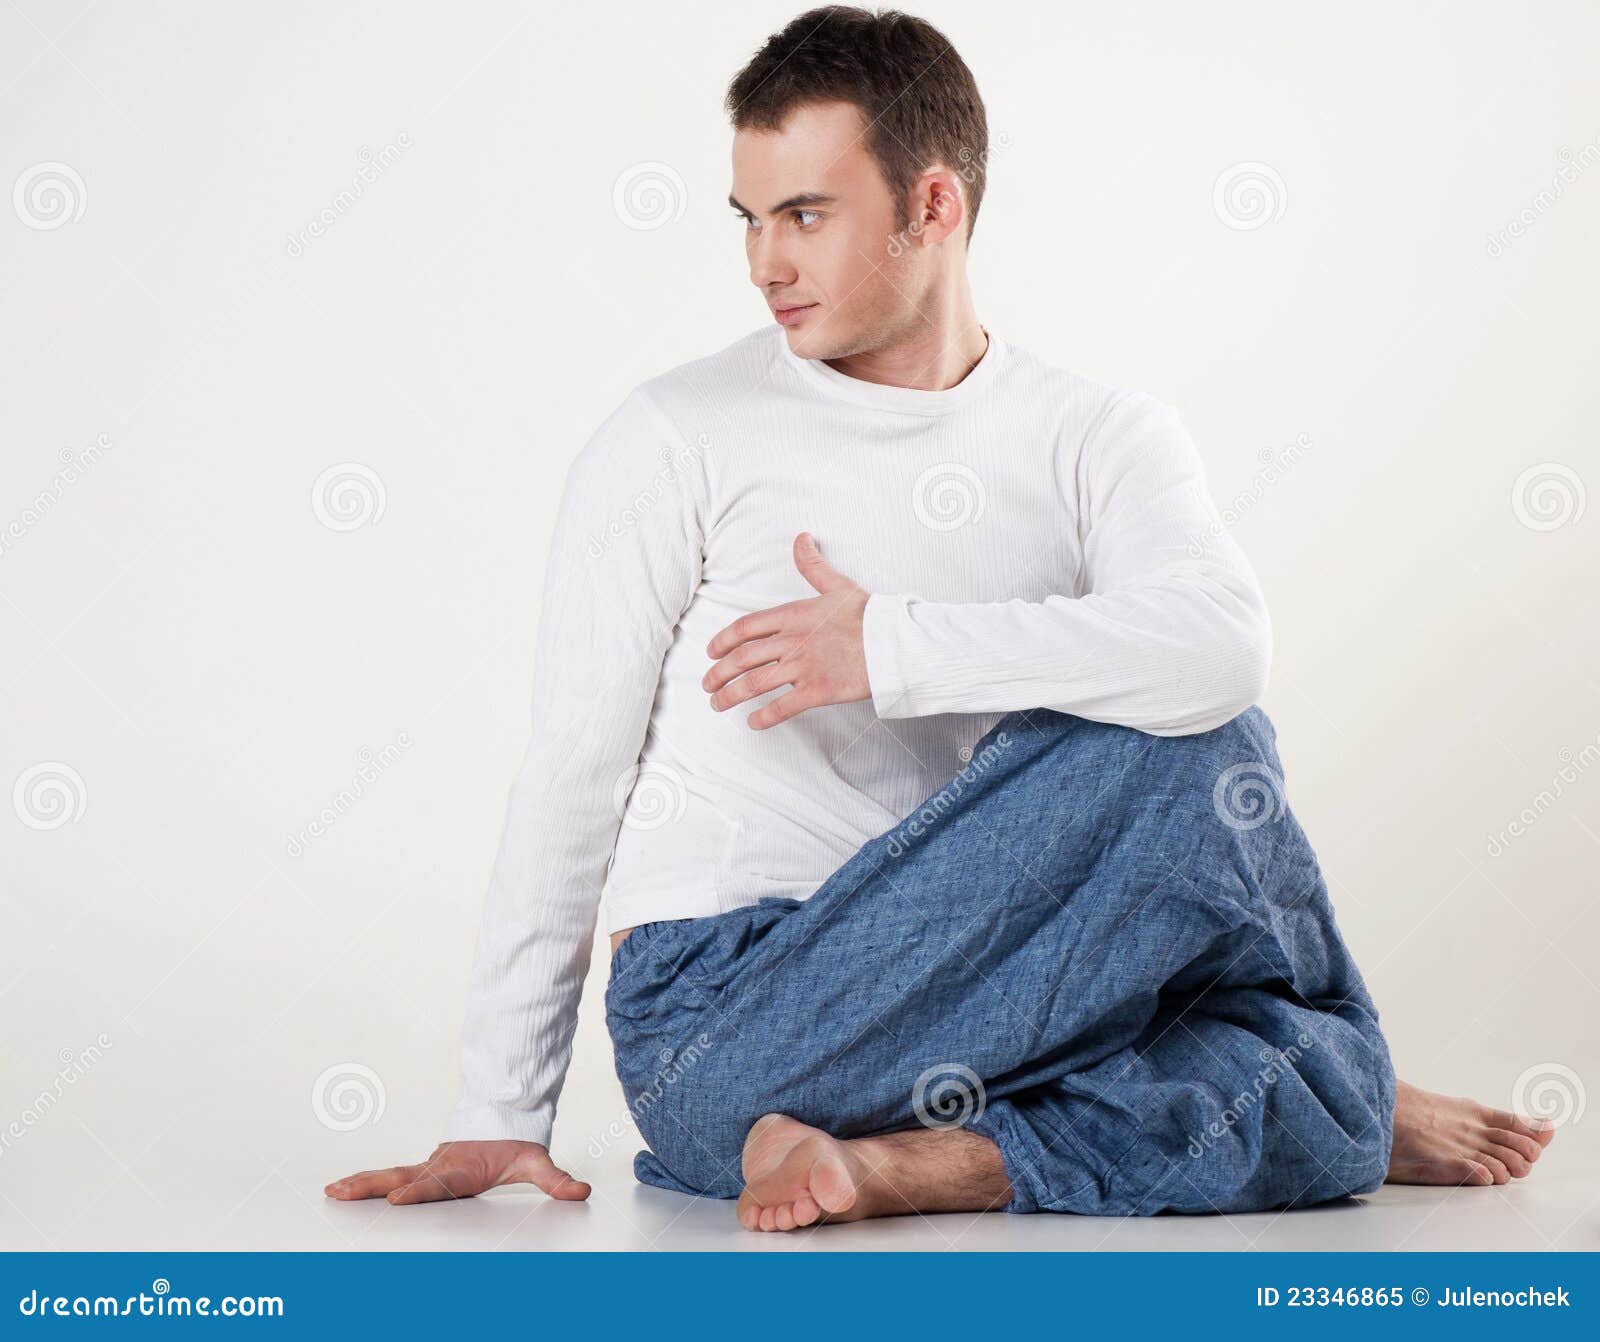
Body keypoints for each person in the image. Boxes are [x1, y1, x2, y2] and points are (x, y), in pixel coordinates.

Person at [326, 6, 1554, 1230]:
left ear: (933, 206)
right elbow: (570, 769)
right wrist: (501, 1106)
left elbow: (1222, 645)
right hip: (731, 1027)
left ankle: (904, 1164)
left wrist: (888, 645)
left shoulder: (1096, 434)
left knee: (1206, 729)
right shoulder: (672, 435)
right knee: (1315, 1069)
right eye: (750, 220)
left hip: (1005, 997)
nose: (766, 263)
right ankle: (1312, 1077)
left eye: (806, 214)